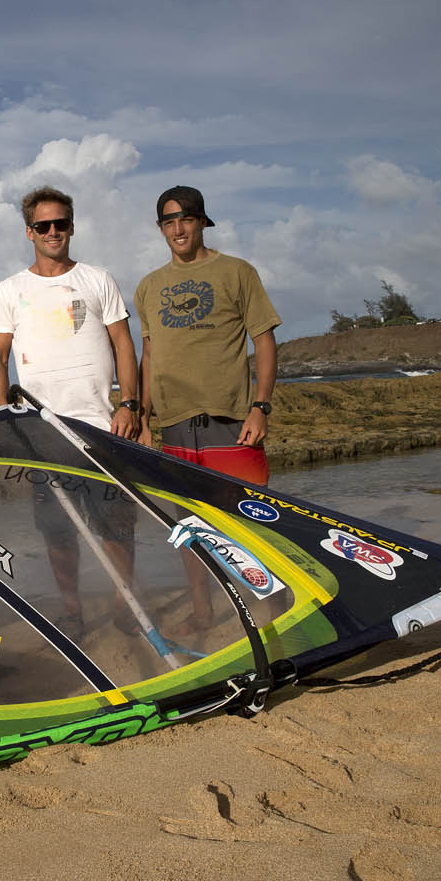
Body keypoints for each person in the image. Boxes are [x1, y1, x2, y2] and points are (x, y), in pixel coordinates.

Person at [0, 186, 141, 641]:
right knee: (57, 530)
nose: (53, 232)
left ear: (72, 227)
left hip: (100, 426)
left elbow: (124, 344)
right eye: (43, 226)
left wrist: (129, 402)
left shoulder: (98, 279)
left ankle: (125, 607)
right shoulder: (10, 290)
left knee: (116, 523)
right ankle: (72, 612)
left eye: (61, 224)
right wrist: (2, 419)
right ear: (28, 232)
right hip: (39, 432)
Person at [134, 185, 281, 633]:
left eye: (186, 219)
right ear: (161, 228)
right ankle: (202, 610)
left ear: (201, 222)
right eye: (168, 222)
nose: (178, 229)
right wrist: (143, 419)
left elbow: (264, 340)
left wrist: (261, 407)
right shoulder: (148, 287)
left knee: (248, 520)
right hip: (175, 425)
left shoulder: (237, 272)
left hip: (232, 420)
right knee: (187, 524)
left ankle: (273, 608)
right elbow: (150, 355)